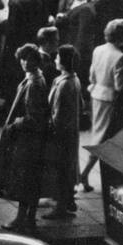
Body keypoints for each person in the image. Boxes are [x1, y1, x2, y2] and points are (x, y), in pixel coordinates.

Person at [0, 44, 51, 231]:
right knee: (31, 180)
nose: (24, 62)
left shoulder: (34, 83)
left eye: (28, 59)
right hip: (33, 139)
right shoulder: (34, 78)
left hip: (28, 139)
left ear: (36, 60)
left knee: (25, 180)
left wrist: (17, 123)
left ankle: (21, 218)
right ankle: (29, 218)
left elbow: (34, 117)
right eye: (22, 59)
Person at [79, 19, 123, 192]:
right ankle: (84, 174)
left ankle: (85, 174)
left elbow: (92, 75)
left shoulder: (98, 49)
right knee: (102, 138)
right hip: (109, 100)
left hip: (96, 94)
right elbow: (119, 86)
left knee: (98, 134)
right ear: (122, 36)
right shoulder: (120, 57)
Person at [39, 44, 83, 221]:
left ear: (63, 61)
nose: (55, 60)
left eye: (58, 57)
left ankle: (61, 207)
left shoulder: (64, 84)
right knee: (68, 167)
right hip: (71, 131)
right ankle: (68, 200)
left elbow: (57, 112)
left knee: (61, 169)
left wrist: (51, 130)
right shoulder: (74, 79)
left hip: (62, 134)